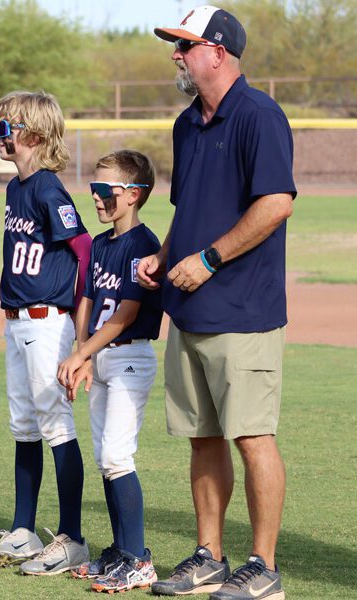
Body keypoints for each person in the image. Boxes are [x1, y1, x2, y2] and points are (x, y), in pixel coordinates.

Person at [141, 7, 295, 599]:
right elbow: (187, 209)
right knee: (202, 437)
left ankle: (264, 566)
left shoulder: (260, 114)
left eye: (184, 46)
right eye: (174, 47)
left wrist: (208, 259)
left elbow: (275, 203)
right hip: (189, 308)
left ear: (218, 51)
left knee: (252, 436)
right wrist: (166, 254)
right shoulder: (187, 124)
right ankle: (209, 555)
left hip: (242, 308)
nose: (176, 56)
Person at [0, 90, 93, 575]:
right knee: (24, 426)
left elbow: (85, 248)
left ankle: (71, 538)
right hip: (18, 321)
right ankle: (24, 529)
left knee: (54, 426)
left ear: (36, 134)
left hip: (48, 322)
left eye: (7, 127)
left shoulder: (48, 189)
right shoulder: (15, 187)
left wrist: (82, 335)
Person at [57, 150, 162, 593]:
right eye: (93, 190)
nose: (96, 199)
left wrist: (82, 355)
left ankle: (138, 559)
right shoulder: (100, 244)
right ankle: (121, 552)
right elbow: (86, 299)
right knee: (106, 460)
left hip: (129, 356)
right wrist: (82, 351)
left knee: (118, 456)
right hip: (100, 356)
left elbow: (125, 312)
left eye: (105, 191)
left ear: (133, 195)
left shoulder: (144, 245)